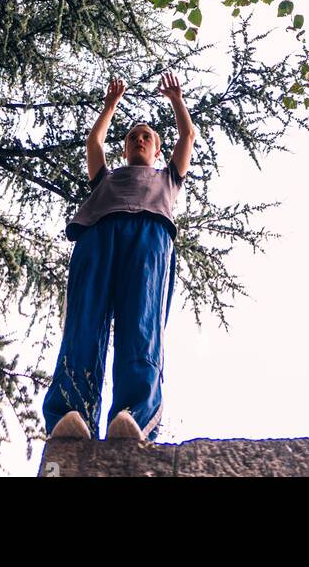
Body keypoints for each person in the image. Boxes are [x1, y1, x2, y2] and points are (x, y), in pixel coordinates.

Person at [42, 70, 195, 443]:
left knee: (140, 324)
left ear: (156, 150)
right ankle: (70, 414)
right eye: (132, 137)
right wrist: (110, 105)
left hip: (149, 238)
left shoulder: (168, 178)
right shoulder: (105, 179)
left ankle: (133, 417)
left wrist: (176, 100)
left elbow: (188, 136)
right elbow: (94, 141)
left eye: (147, 137)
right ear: (124, 149)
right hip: (99, 234)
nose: (139, 139)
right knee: (83, 321)